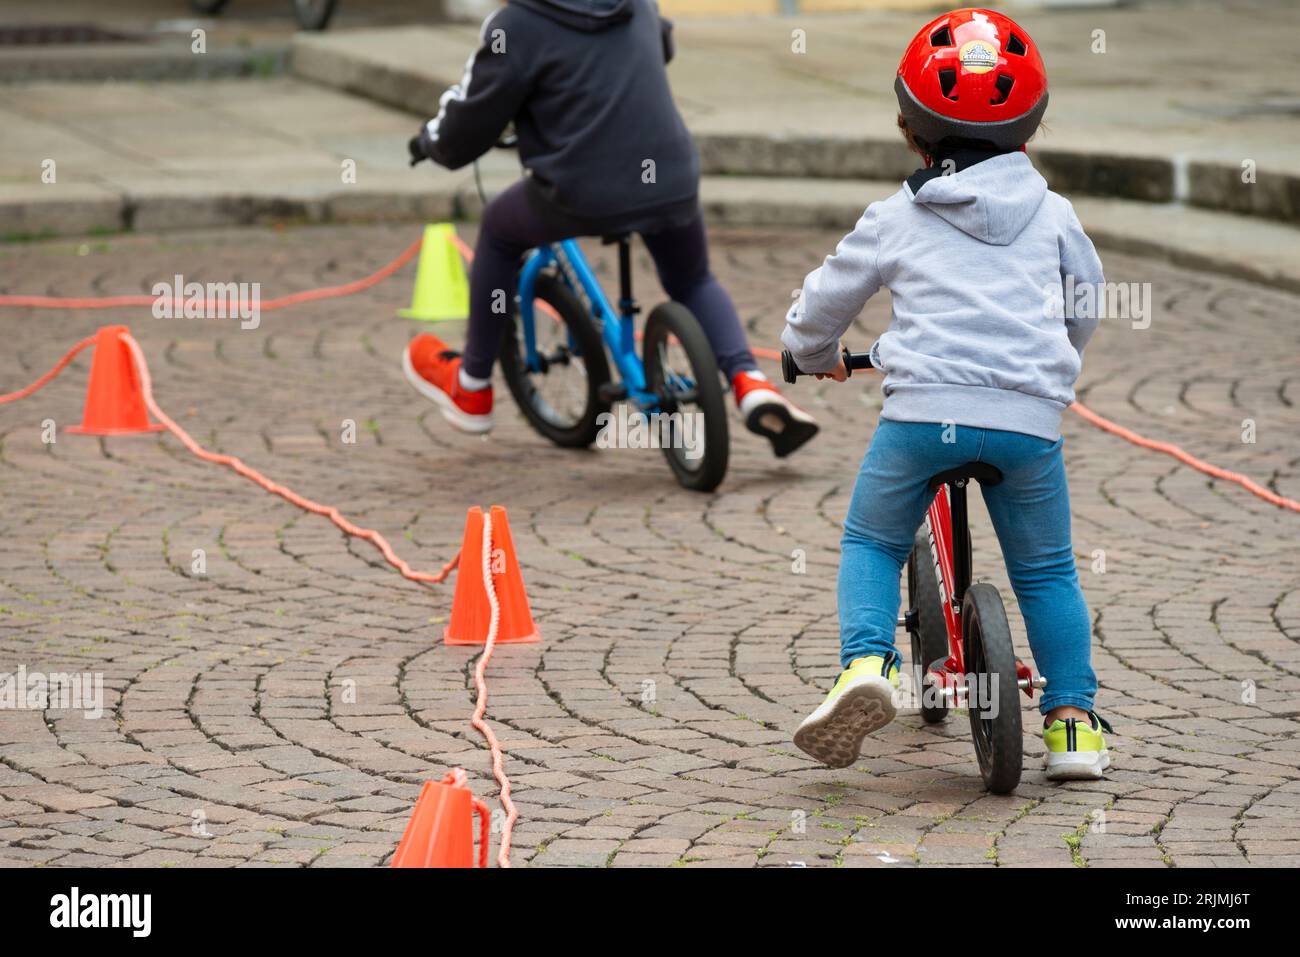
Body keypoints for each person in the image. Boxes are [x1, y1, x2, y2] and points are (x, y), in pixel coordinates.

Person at [784, 8, 1111, 781]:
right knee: (1049, 571)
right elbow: (1086, 299)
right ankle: (1072, 726)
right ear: (1031, 129)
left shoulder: (898, 215)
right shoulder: (1055, 215)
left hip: (924, 415)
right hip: (1027, 423)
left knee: (872, 538)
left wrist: (816, 354)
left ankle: (868, 662)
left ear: (910, 128)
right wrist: (1051, 364)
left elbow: (822, 305)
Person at [404, 0, 817, 456]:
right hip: (668, 174)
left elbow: (467, 120)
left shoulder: (516, 25)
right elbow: (662, 45)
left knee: (500, 229)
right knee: (693, 278)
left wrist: (429, 143)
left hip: (582, 188)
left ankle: (472, 386)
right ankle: (751, 382)